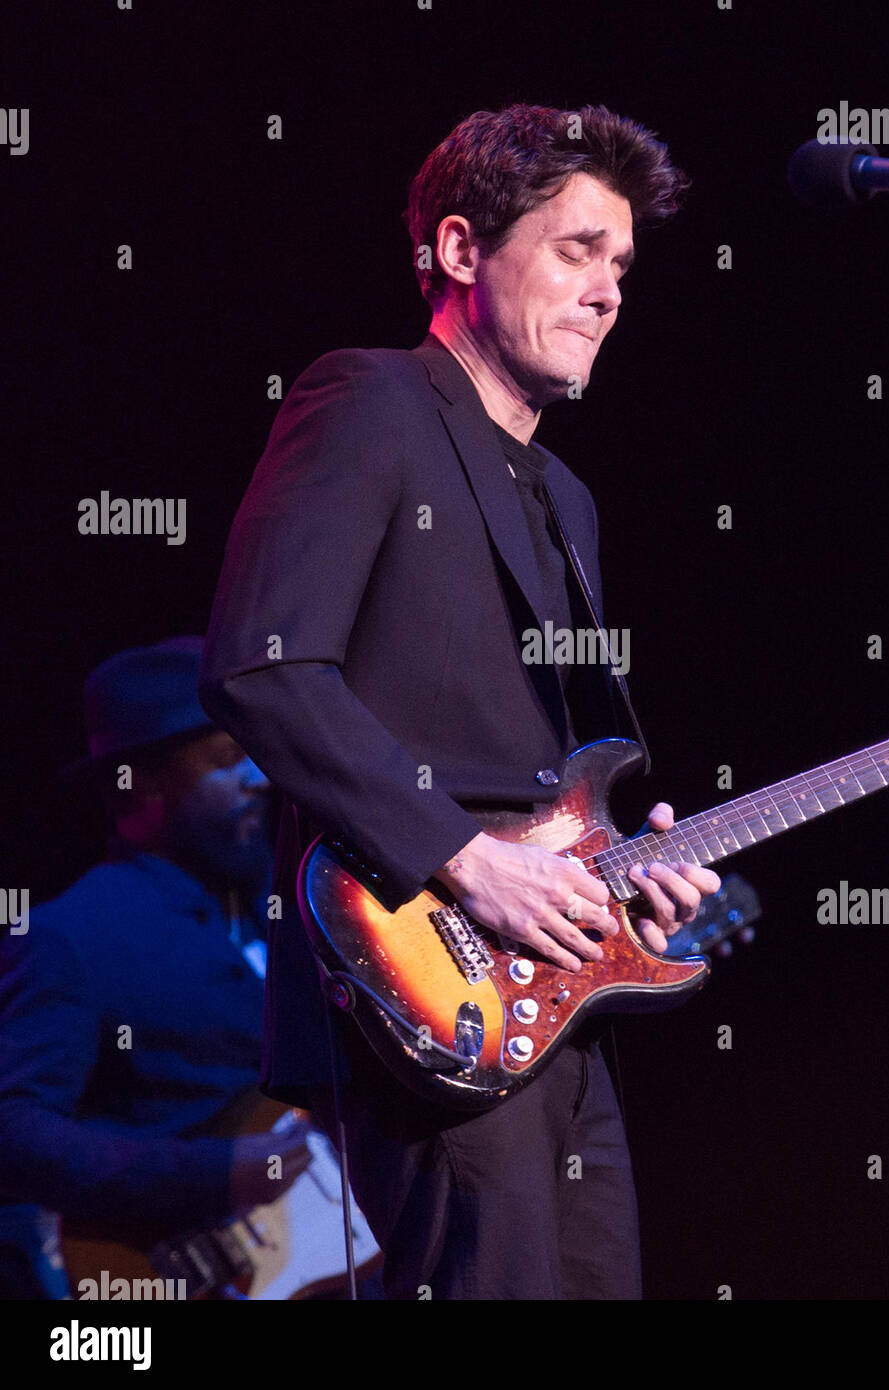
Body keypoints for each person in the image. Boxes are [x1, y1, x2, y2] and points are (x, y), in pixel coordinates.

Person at [198, 103, 720, 1300]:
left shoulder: (568, 498)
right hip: (427, 974)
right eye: (577, 250)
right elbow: (260, 664)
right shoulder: (372, 401)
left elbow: (542, 760)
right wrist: (463, 858)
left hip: (559, 994)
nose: (608, 291)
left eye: (623, 265)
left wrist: (628, 862)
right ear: (458, 250)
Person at [0, 637, 311, 1296]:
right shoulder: (71, 935)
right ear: (136, 788)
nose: (259, 776)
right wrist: (216, 1169)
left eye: (254, 751)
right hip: (198, 1266)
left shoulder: (295, 904)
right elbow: (15, 1132)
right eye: (226, 759)